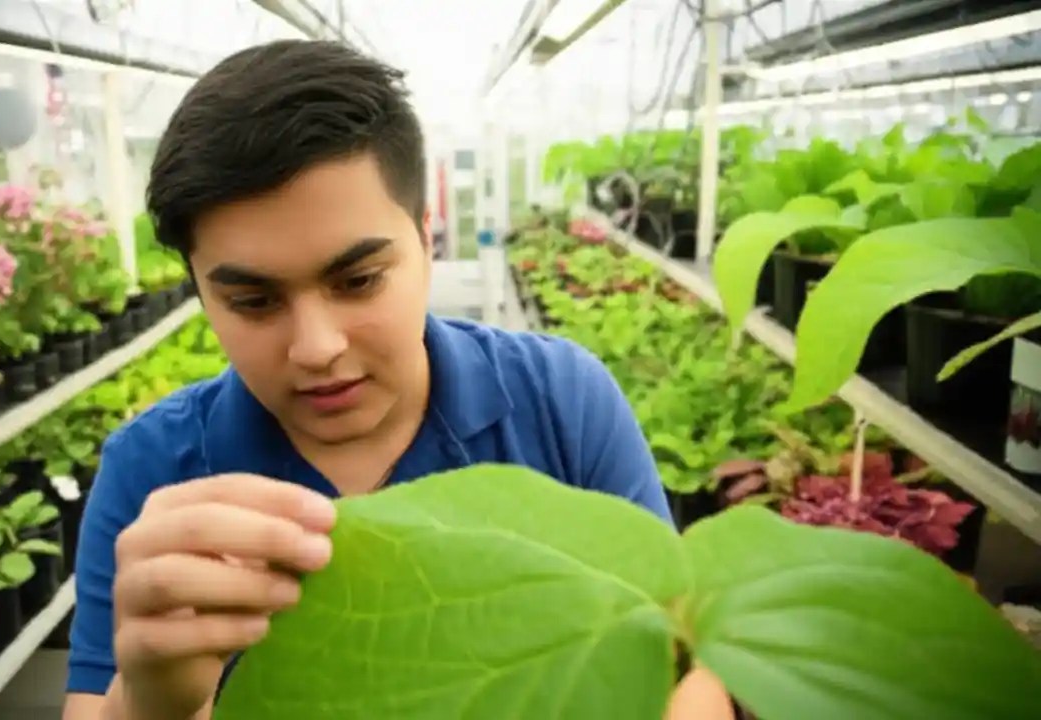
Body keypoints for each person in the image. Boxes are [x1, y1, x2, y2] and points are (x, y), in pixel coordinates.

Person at [62, 39, 732, 720]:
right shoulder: (153, 472)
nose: (318, 348)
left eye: (358, 281)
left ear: (424, 235)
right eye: (254, 301)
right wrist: (149, 700)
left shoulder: (561, 401)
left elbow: (686, 673)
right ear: (200, 292)